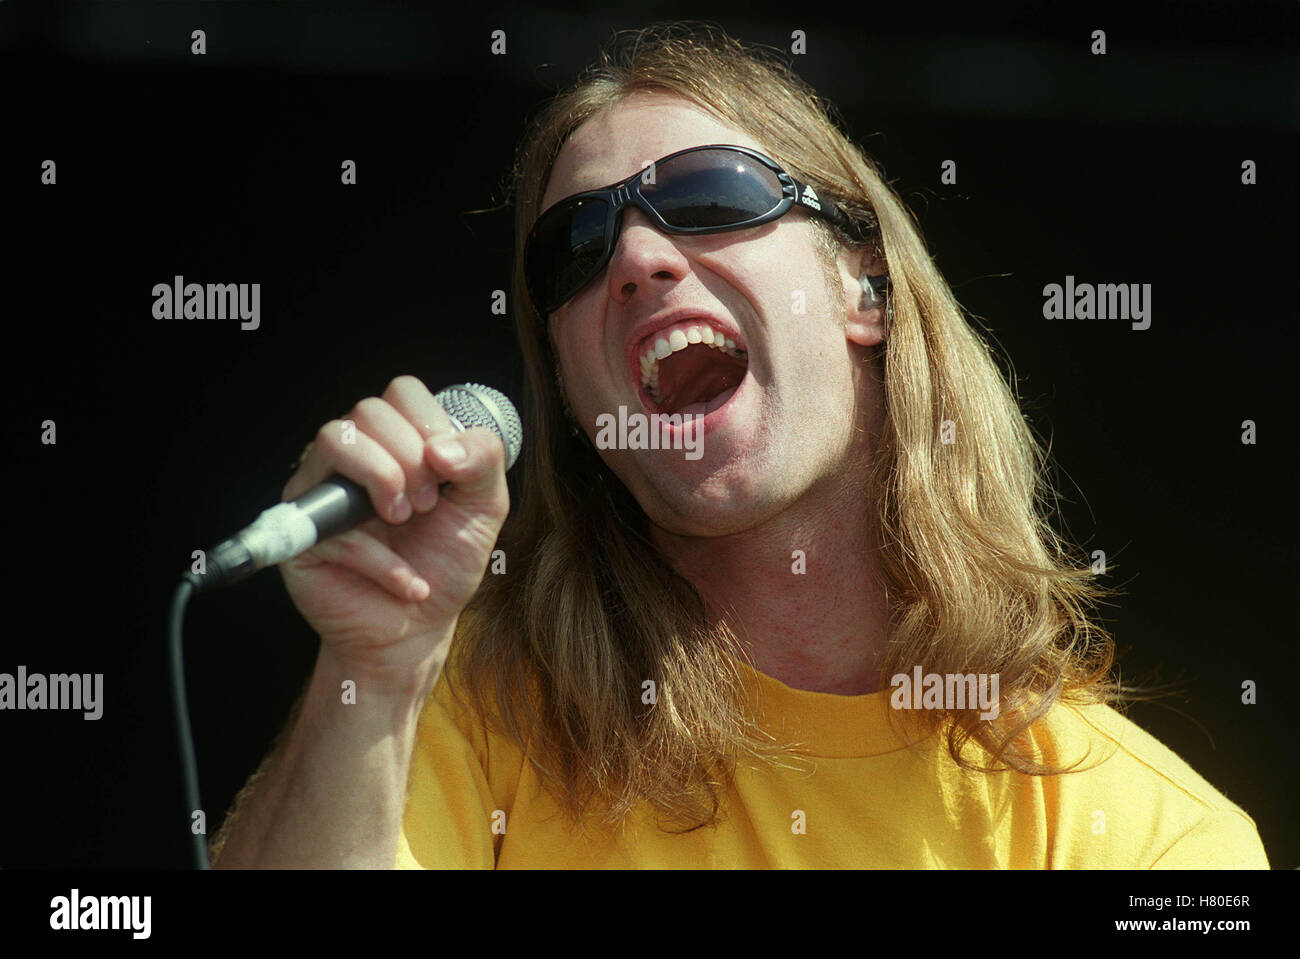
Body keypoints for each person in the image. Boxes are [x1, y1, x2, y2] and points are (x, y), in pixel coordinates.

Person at [209, 24, 1268, 869]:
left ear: (867, 286)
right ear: (572, 393)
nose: (633, 255)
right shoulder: (475, 704)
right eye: (574, 246)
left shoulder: (1142, 836)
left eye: (708, 194)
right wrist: (375, 670)